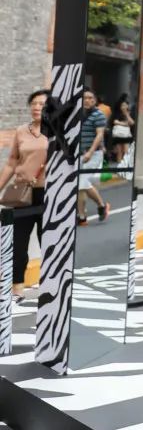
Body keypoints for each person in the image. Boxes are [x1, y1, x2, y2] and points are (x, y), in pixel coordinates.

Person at [0, 89, 49, 308]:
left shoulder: (57, 132)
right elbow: (11, 162)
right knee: (18, 243)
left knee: (47, 241)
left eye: (42, 104)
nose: (37, 107)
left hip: (48, 194)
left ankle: (48, 284)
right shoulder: (21, 131)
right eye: (34, 103)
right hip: (21, 193)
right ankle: (17, 288)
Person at [77, 89, 110, 225]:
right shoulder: (78, 115)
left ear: (95, 100)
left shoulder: (98, 115)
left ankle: (82, 216)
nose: (87, 100)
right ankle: (101, 206)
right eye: (84, 98)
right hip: (79, 153)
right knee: (83, 184)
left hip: (94, 154)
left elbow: (99, 134)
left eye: (90, 98)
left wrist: (90, 152)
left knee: (81, 184)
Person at [108, 95, 136, 171]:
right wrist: (124, 124)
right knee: (119, 152)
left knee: (126, 152)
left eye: (125, 105)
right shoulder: (116, 114)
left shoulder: (128, 113)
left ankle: (126, 167)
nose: (124, 106)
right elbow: (114, 122)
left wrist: (126, 114)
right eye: (122, 105)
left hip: (126, 136)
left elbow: (131, 123)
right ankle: (120, 168)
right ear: (119, 106)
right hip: (118, 135)